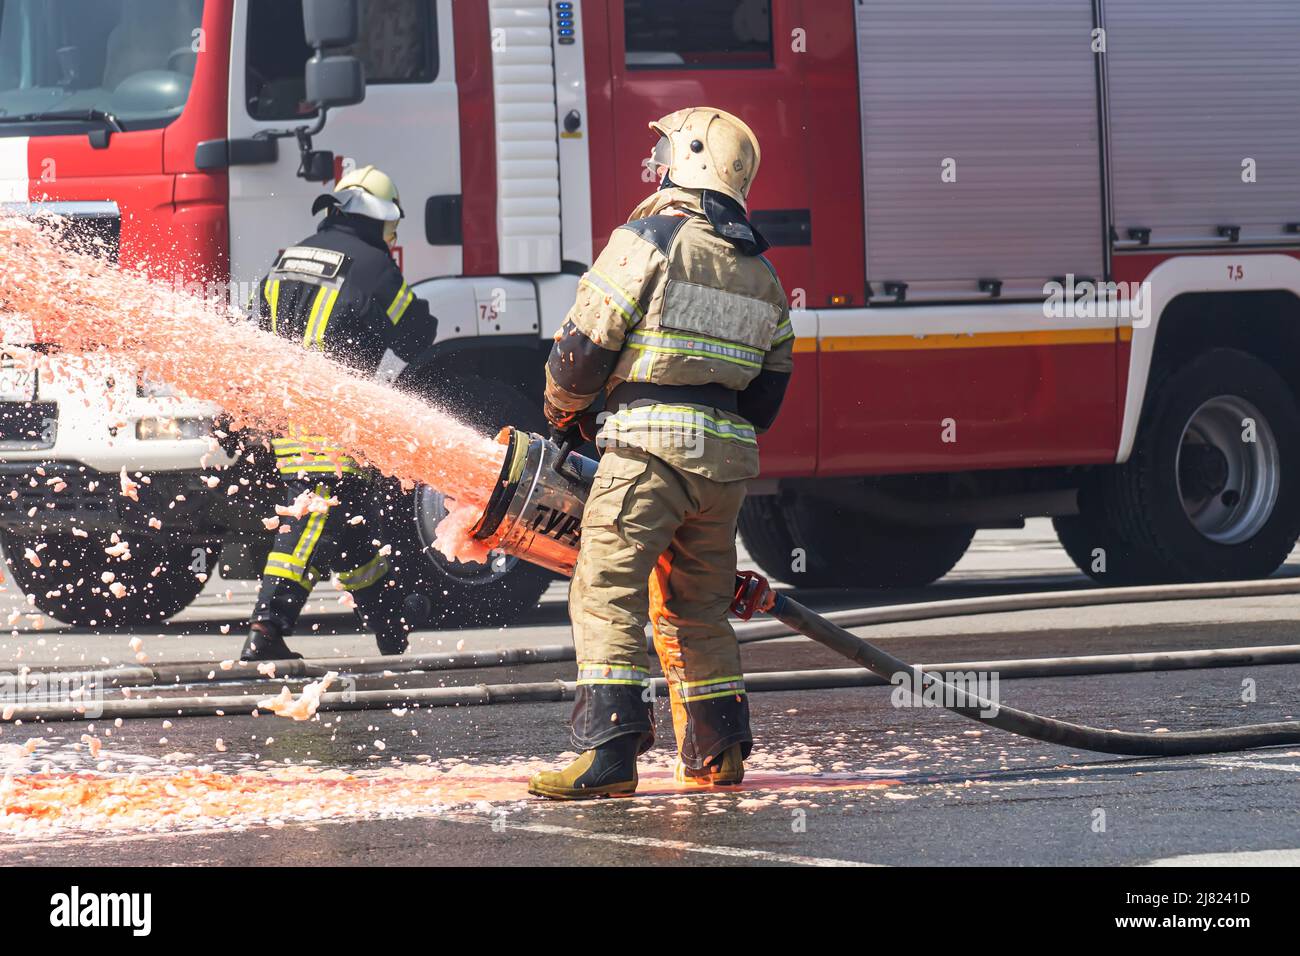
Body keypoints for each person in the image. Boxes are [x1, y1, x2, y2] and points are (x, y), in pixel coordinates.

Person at [529, 108, 794, 799]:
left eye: (664, 153)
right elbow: (766, 399)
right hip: (726, 469)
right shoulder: (763, 273)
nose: (655, 165)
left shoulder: (647, 240)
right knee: (696, 610)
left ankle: (608, 754)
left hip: (647, 454)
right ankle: (717, 753)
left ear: (691, 159)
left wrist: (563, 412)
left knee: (606, 590)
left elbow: (583, 347)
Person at [240, 165, 437, 661]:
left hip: (283, 416)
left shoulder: (290, 255)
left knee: (350, 529)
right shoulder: (375, 267)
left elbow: (254, 332)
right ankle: (266, 627)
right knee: (312, 515)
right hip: (332, 422)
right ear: (380, 220)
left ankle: (390, 622)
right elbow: (416, 335)